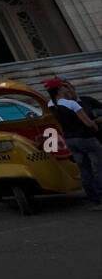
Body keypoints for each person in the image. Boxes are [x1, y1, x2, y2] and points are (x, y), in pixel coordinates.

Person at [44, 79, 102, 208]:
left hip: (70, 140)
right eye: (63, 87)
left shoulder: (50, 104)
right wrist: (95, 125)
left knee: (84, 170)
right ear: (59, 89)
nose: (66, 89)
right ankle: (100, 196)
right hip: (86, 138)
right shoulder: (72, 104)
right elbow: (88, 123)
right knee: (98, 168)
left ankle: (94, 201)